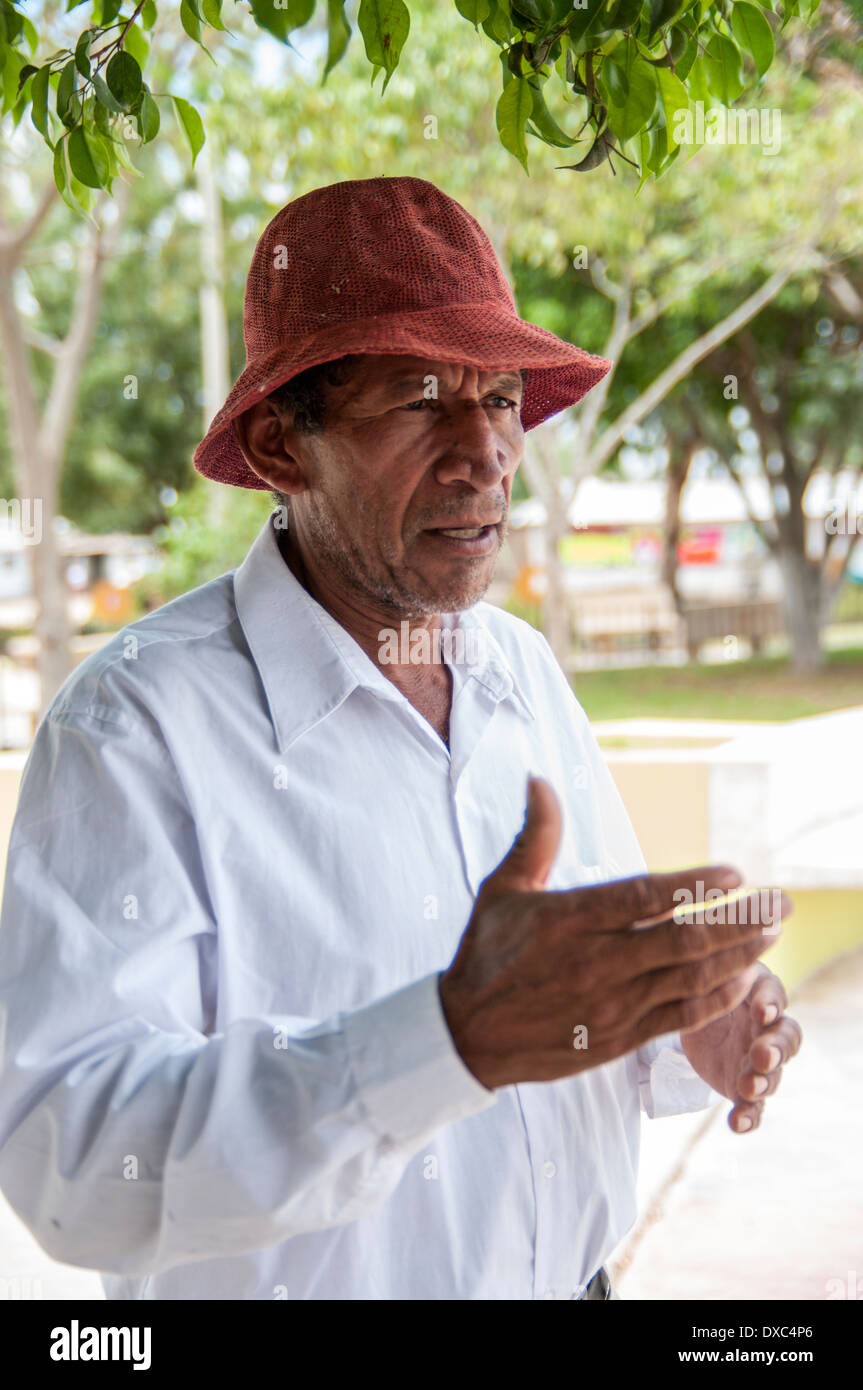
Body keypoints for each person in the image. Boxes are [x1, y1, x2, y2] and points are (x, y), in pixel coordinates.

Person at [0, 177, 801, 1301]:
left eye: (504, 399)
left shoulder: (517, 669)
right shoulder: (134, 729)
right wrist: (441, 1040)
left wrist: (679, 1028)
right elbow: (75, 1164)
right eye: (424, 401)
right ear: (283, 446)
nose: (487, 452)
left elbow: (562, 995)